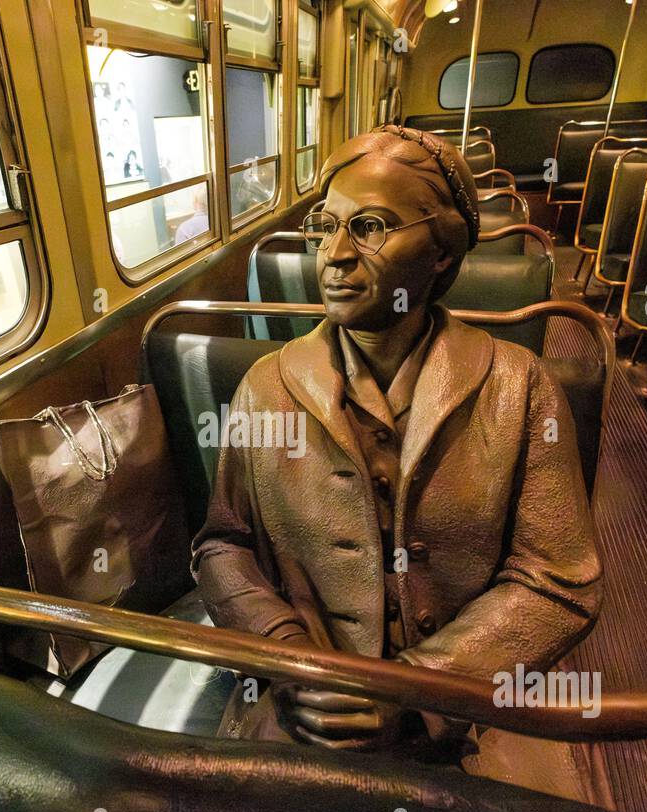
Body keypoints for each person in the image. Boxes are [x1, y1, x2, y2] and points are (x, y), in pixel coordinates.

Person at [192, 125, 602, 757]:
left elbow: (556, 579)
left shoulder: (522, 390)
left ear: (441, 251)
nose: (334, 254)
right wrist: (288, 657)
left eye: (371, 226)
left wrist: (418, 694)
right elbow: (224, 545)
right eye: (326, 226)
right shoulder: (265, 387)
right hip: (302, 704)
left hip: (460, 713)